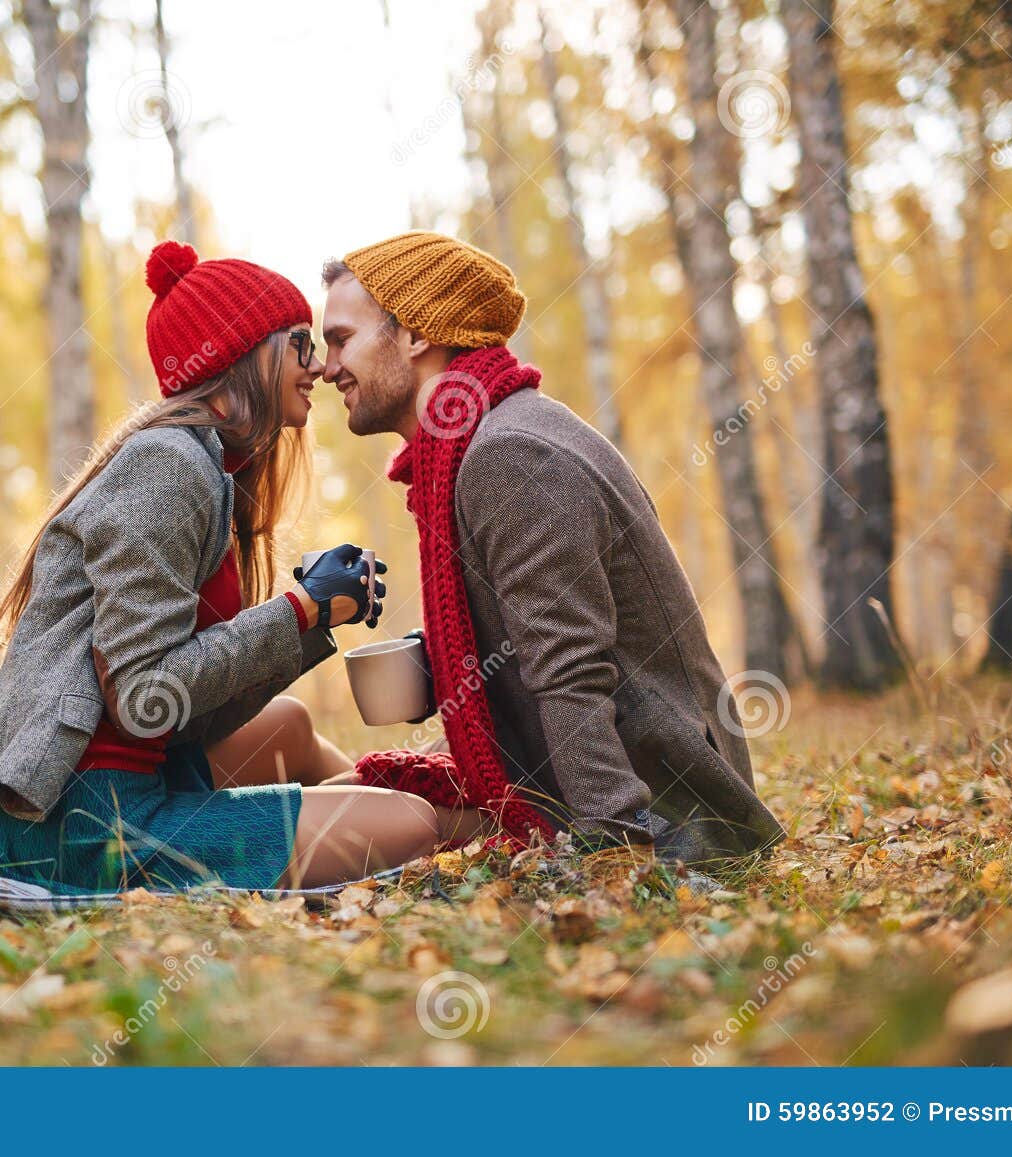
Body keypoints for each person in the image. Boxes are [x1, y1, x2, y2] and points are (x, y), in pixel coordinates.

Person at [0, 240, 487, 893]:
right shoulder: (170, 465)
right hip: (76, 824)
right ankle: (466, 818)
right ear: (246, 355)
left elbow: (180, 712)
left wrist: (307, 615)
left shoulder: (203, 466)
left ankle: (451, 808)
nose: (317, 367)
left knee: (292, 724)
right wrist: (302, 609)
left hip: (115, 782)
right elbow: (147, 701)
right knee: (411, 826)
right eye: (299, 344)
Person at [319, 231, 785, 865]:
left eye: (341, 338)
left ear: (416, 333)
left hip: (669, 817)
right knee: (344, 797)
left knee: (330, 826)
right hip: (571, 777)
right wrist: (443, 665)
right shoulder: (480, 441)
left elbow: (571, 671)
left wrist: (610, 854)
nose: (327, 366)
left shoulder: (510, 454)